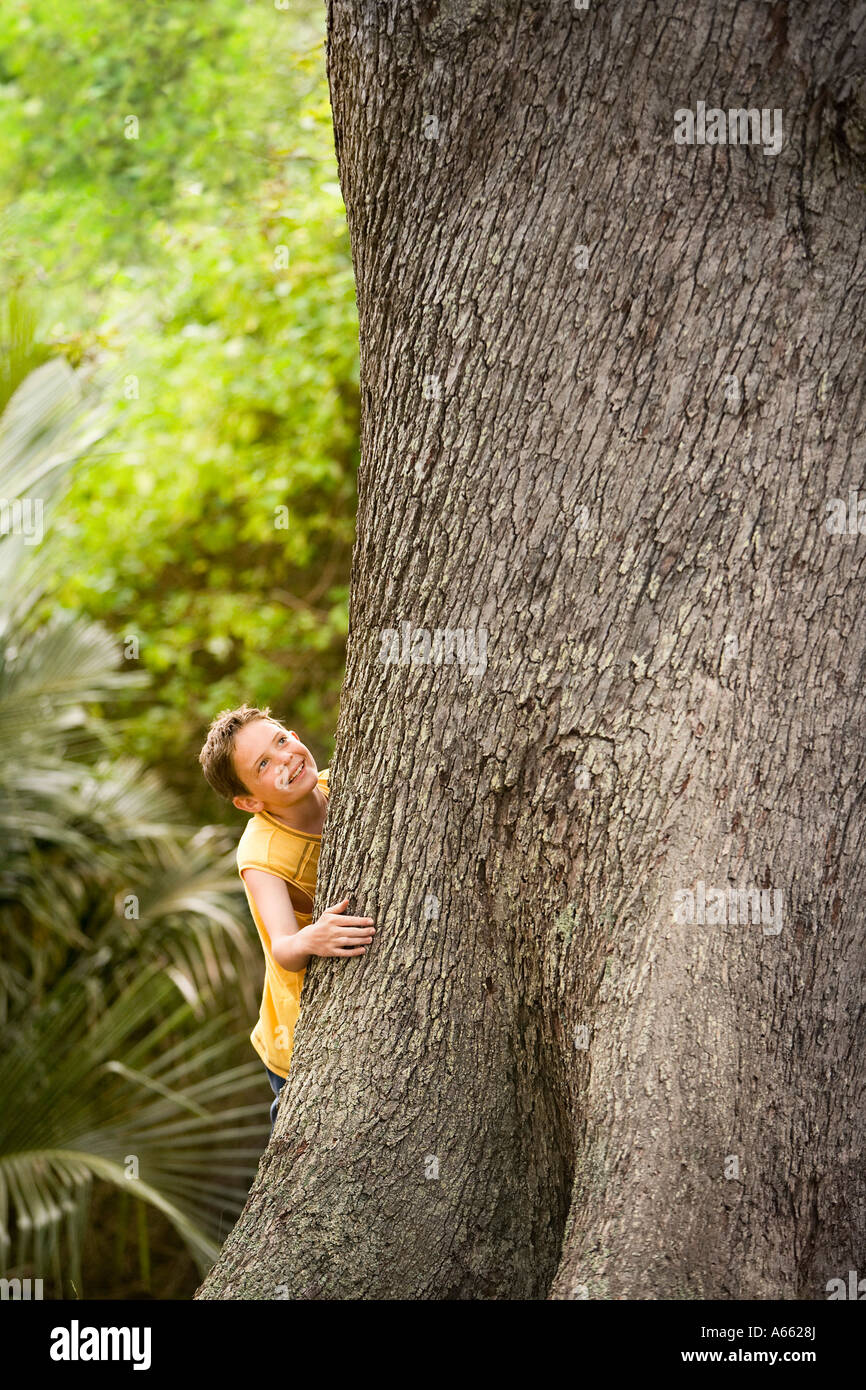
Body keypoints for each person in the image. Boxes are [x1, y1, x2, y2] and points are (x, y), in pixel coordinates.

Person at [198, 704, 374, 1130]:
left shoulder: (345, 786)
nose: (285, 758)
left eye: (281, 741)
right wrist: (313, 936)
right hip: (296, 1041)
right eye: (263, 764)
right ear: (250, 801)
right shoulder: (261, 855)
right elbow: (284, 949)